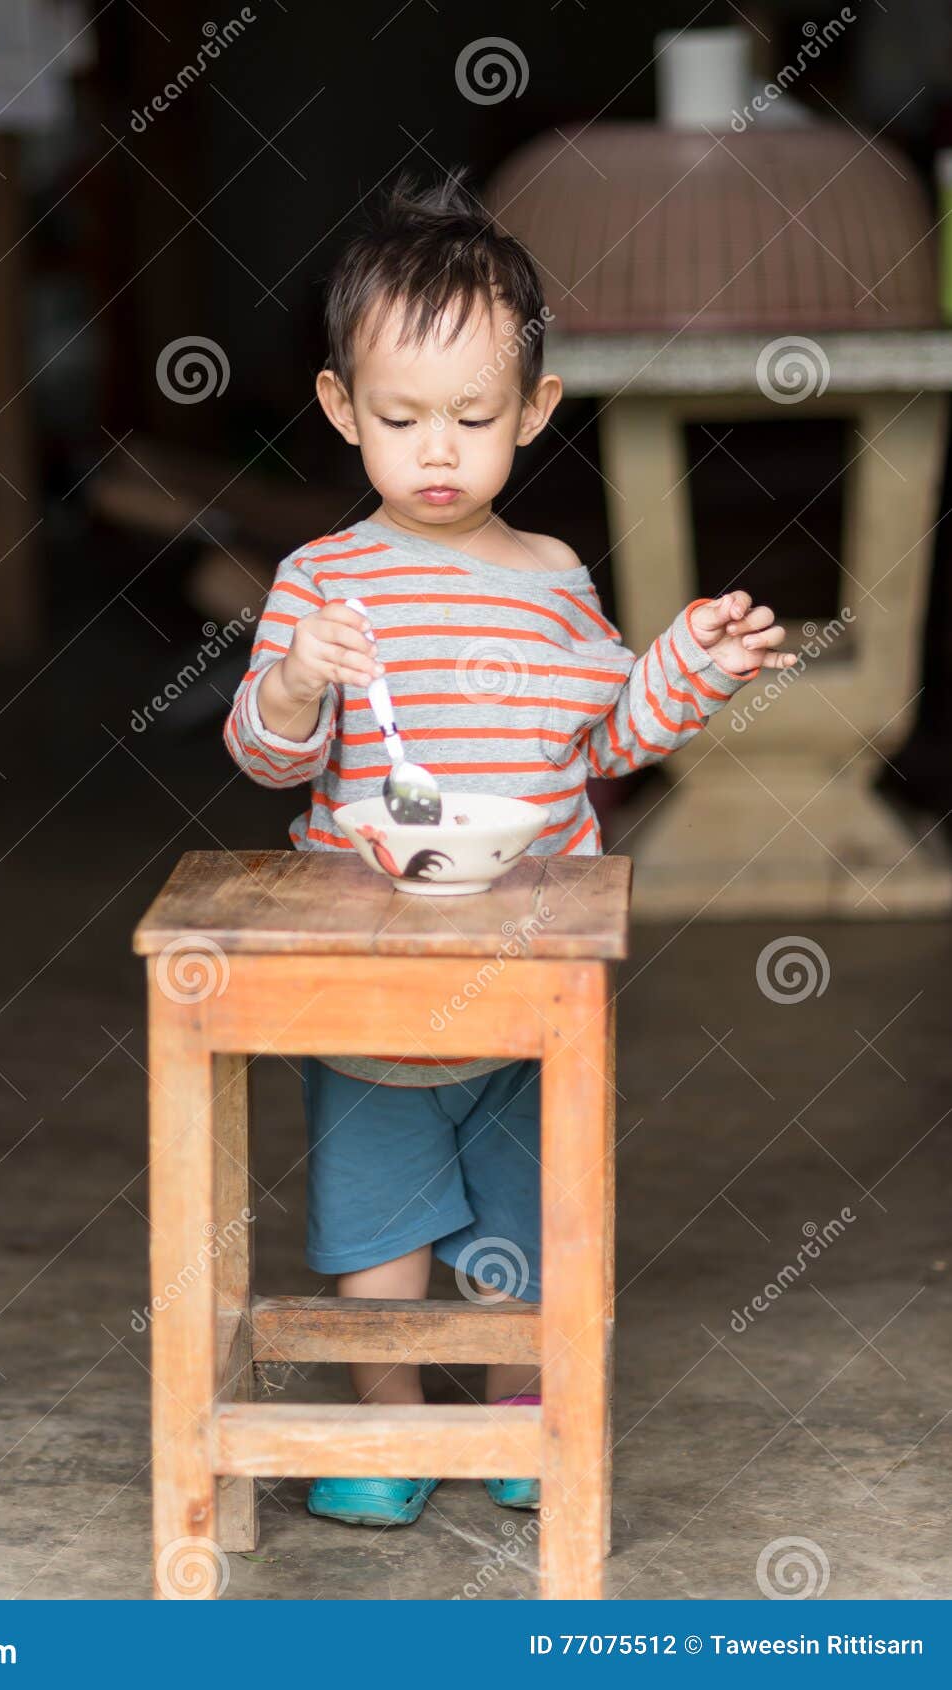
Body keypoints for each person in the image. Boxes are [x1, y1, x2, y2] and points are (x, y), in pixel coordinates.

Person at [223, 169, 796, 1528]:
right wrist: (299, 676)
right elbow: (266, 754)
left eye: (474, 419)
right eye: (403, 418)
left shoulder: (552, 578)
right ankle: (390, 1419)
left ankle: (524, 1410)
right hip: (369, 972)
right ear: (340, 407)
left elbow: (606, 738)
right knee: (379, 1217)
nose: (437, 451)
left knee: (524, 1216)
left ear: (535, 412)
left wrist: (692, 663)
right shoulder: (322, 582)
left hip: (528, 958)